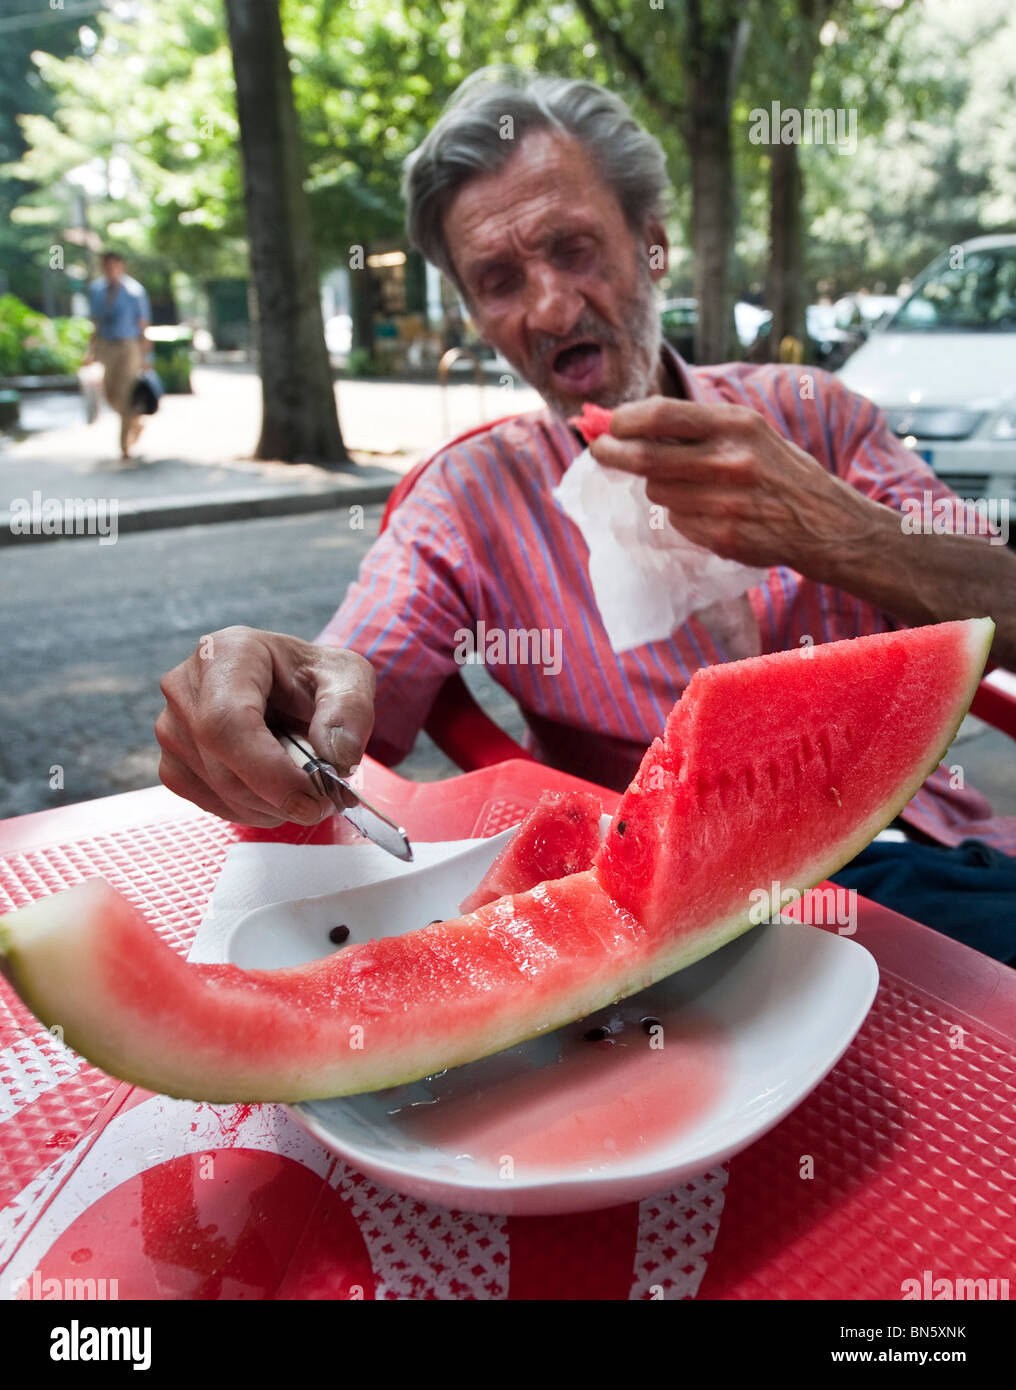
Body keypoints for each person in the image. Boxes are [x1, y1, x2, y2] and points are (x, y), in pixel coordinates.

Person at [156, 70, 1016, 946]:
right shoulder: (470, 497)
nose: (552, 306)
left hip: (930, 858)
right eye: (498, 279)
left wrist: (835, 528)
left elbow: (1006, 612)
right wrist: (272, 693)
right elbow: (345, 677)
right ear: (476, 316)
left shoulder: (814, 412)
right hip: (681, 921)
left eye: (574, 249)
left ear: (652, 243)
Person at [85, 250, 152, 459]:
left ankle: (124, 446)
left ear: (121, 266)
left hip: (129, 347)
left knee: (124, 392)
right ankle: (135, 421)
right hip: (107, 346)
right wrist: (91, 351)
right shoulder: (96, 291)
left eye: (114, 265)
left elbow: (143, 326)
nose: (110, 270)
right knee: (110, 393)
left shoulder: (134, 291)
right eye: (106, 266)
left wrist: (146, 358)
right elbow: (95, 323)